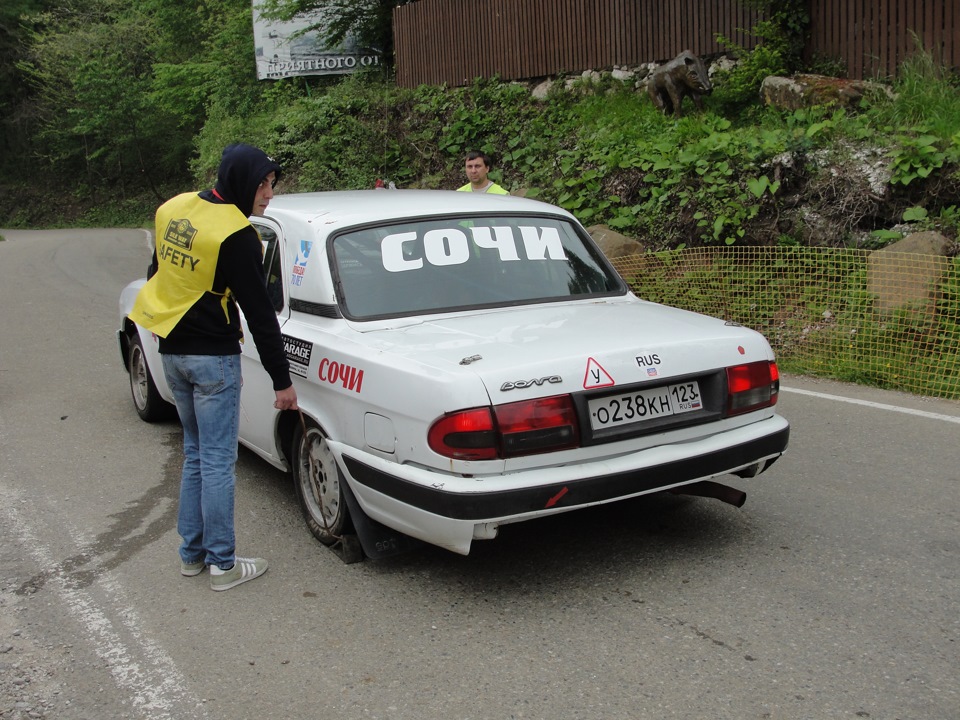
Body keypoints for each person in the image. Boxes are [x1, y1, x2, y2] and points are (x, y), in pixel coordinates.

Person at [130, 143, 298, 592]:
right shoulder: (237, 234)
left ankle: (192, 554)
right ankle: (223, 564)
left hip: (173, 353)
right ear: (243, 180)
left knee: (196, 454)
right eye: (263, 184)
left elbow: (157, 273)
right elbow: (260, 314)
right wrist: (282, 381)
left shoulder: (175, 209)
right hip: (213, 360)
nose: (268, 194)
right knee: (219, 461)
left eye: (272, 184)